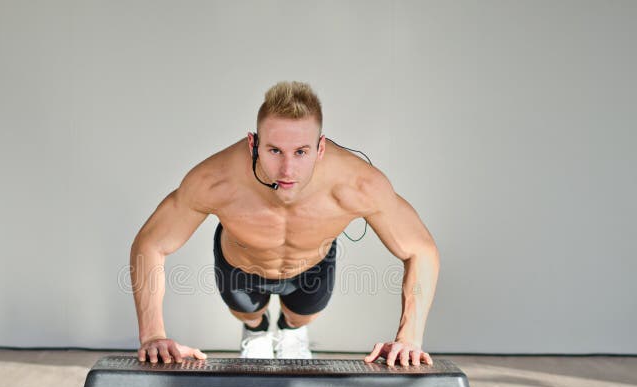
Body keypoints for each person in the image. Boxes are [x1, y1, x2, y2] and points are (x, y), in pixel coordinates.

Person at [130, 81, 439, 366]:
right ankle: (257, 330)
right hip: (240, 264)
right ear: (253, 144)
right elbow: (151, 243)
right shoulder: (215, 180)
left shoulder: (358, 184)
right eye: (274, 150)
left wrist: (409, 338)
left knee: (300, 318)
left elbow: (420, 250)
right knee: (248, 314)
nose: (287, 169)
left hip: (312, 265)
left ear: (320, 148)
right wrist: (153, 335)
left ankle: (292, 332)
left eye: (301, 152)